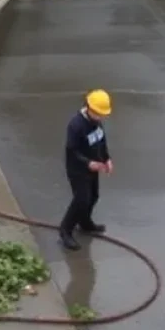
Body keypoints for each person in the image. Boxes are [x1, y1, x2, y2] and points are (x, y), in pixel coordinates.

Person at [59, 89, 112, 252]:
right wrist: (87, 163)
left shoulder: (97, 122)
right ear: (88, 107)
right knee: (81, 199)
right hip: (78, 170)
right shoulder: (76, 125)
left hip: (94, 167)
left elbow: (101, 140)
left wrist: (106, 158)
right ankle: (65, 230)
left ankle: (85, 222)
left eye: (102, 114)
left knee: (94, 196)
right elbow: (72, 150)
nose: (100, 117)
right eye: (98, 113)